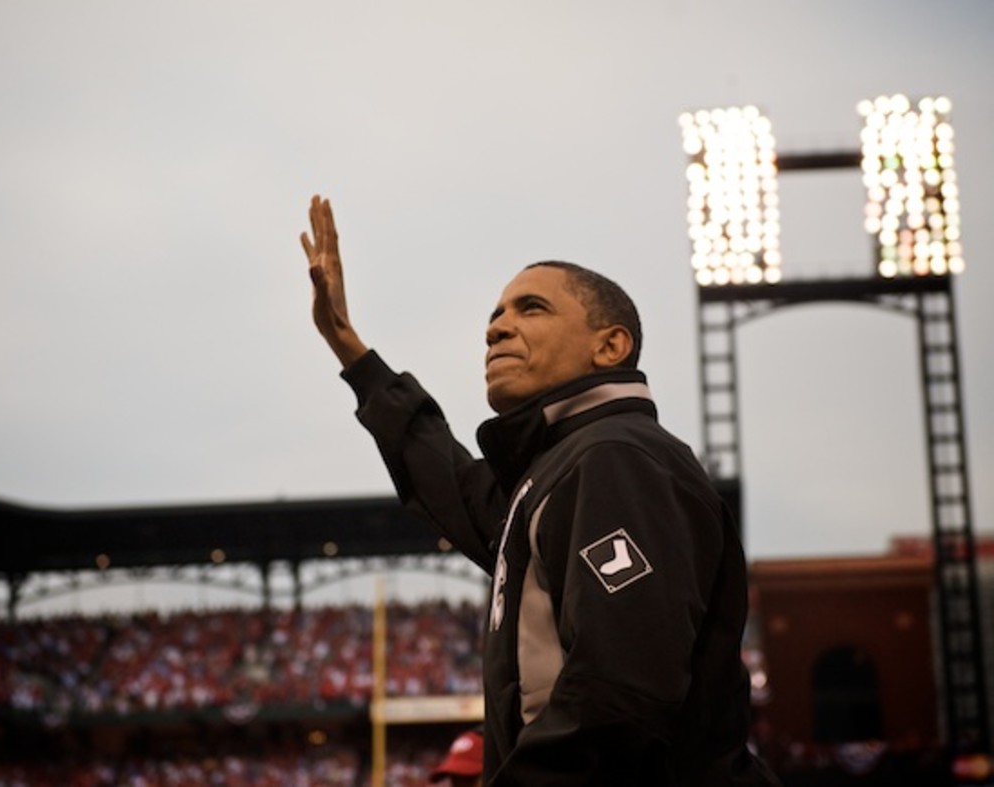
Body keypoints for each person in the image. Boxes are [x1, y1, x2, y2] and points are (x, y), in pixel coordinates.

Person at [300, 195, 779, 785]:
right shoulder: (560, 469)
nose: (497, 327)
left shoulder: (615, 457)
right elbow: (452, 486)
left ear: (609, 347)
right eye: (496, 314)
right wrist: (351, 350)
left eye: (531, 308)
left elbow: (620, 693)